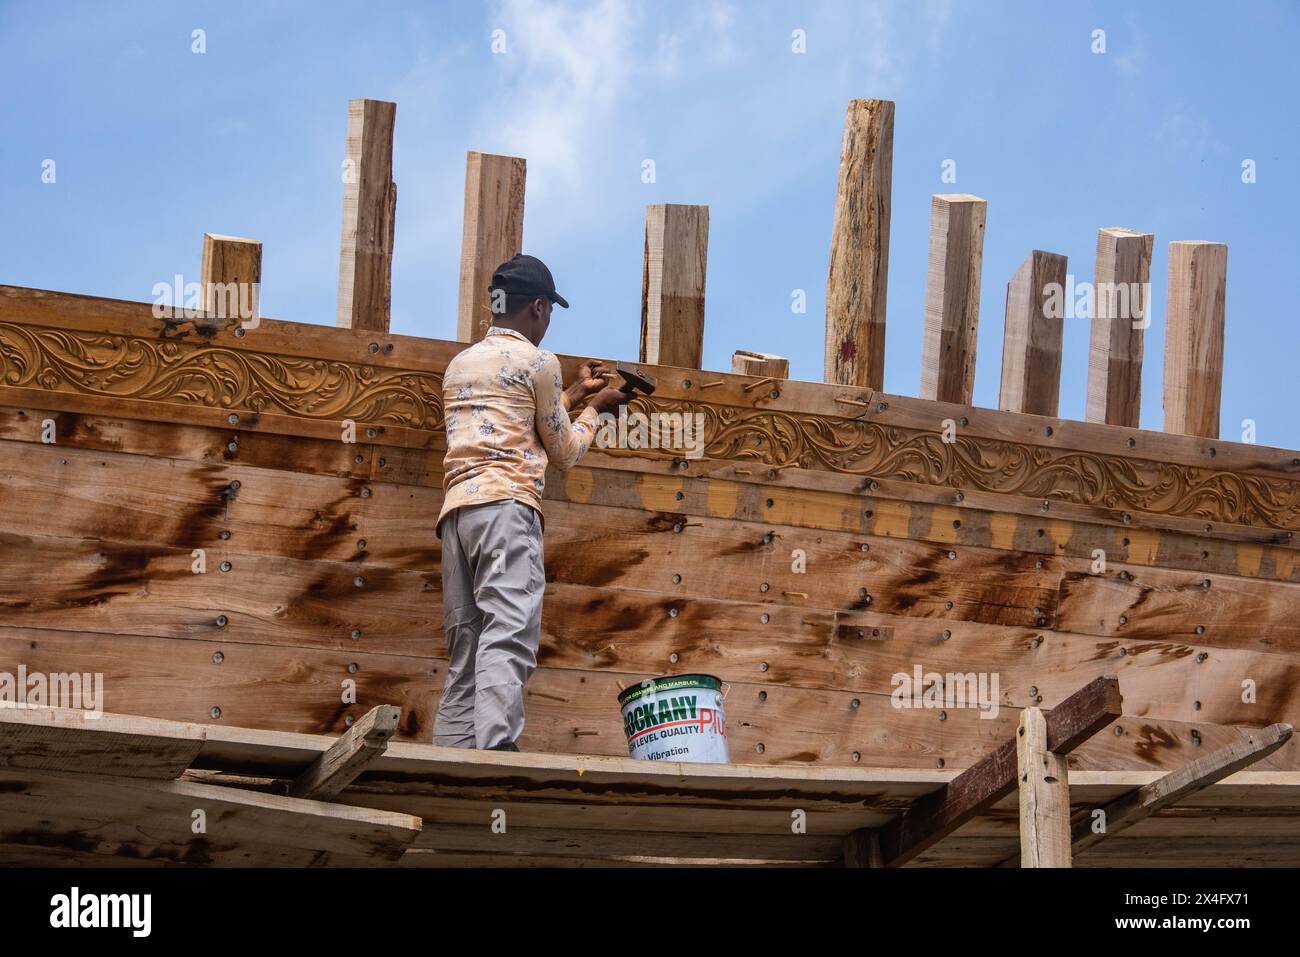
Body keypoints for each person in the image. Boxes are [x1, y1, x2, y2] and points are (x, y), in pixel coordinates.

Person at [434, 254, 626, 751]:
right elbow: (561, 451)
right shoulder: (540, 363)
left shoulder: (460, 364)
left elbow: (513, 423)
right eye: (549, 312)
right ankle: (497, 748)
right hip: (507, 510)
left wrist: (575, 392)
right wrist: (596, 410)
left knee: (467, 641)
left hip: (457, 516)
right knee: (509, 628)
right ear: (538, 307)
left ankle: (451, 754)